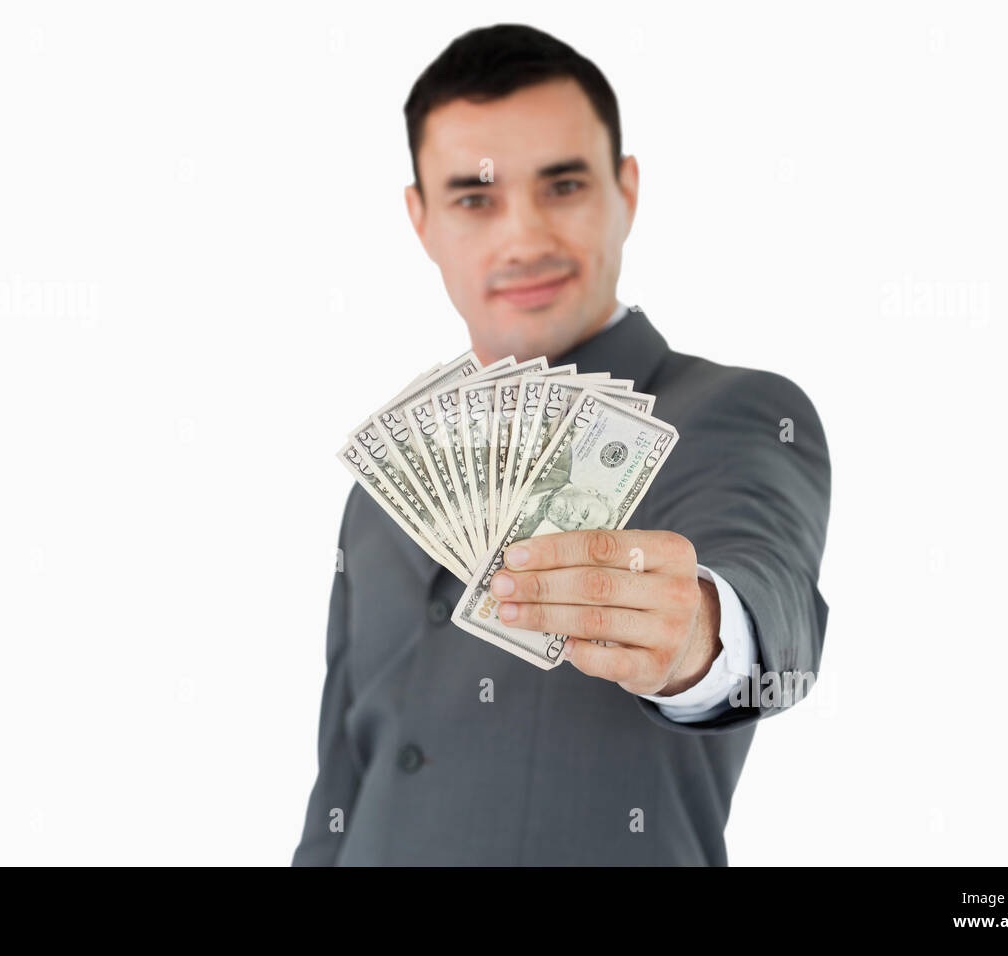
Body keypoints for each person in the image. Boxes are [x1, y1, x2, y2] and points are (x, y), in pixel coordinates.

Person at [292, 23, 831, 866]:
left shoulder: (735, 413)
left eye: (564, 184)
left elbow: (769, 590)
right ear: (421, 220)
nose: (525, 237)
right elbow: (344, 771)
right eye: (475, 198)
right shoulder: (377, 498)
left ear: (626, 191)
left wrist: (703, 636)